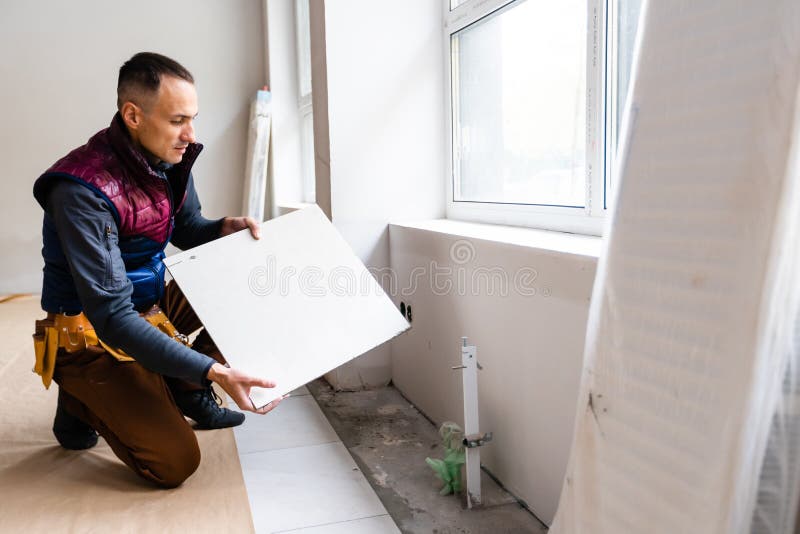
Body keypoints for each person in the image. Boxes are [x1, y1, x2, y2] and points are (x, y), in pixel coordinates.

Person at [31, 52, 282, 488]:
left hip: (147, 304)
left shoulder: (166, 160)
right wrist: (215, 370)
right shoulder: (81, 190)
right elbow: (112, 316)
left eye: (194, 118)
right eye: (177, 120)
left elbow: (186, 228)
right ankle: (80, 395)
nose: (190, 134)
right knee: (175, 463)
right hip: (89, 330)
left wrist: (227, 229)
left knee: (243, 263)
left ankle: (182, 386)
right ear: (133, 114)